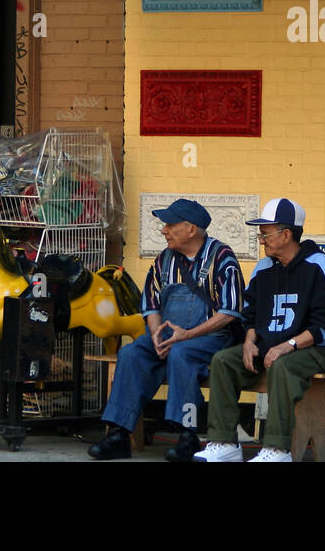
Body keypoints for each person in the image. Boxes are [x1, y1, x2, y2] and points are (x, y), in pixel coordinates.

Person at [88, 197, 244, 462]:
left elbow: (230, 312)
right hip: (170, 336)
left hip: (211, 337)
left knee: (183, 354)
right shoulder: (164, 260)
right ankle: (118, 434)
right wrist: (157, 334)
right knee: (131, 354)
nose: (163, 230)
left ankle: (187, 435)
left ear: (191, 229)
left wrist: (187, 335)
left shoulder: (222, 257)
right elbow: (151, 303)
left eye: (170, 225)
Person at [194, 198, 325, 462]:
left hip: (317, 348)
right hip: (269, 347)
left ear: (286, 234)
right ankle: (224, 443)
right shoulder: (264, 268)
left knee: (283, 365)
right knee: (222, 361)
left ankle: (277, 449)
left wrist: (289, 345)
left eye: (265, 233)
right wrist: (250, 340)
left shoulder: (318, 265)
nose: (261, 239)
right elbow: (249, 311)